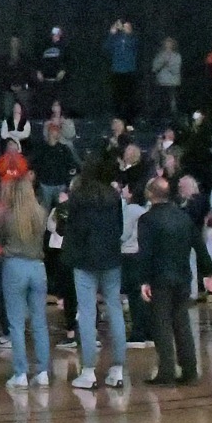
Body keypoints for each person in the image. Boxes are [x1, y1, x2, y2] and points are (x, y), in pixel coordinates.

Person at [136, 177, 210, 386]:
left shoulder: (148, 219)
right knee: (182, 324)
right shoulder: (183, 217)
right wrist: (208, 272)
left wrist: (144, 280)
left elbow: (145, 252)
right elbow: (199, 244)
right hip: (183, 277)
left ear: (150, 194)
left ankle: (166, 371)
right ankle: (190, 370)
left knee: (162, 326)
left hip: (160, 278)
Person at [65, 160, 128, 391]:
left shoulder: (79, 197)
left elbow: (73, 229)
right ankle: (118, 370)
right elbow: (120, 229)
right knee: (115, 310)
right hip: (111, 259)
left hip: (85, 260)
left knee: (87, 312)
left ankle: (89, 371)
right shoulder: (114, 197)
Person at [0, 172, 51, 389]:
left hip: (14, 266)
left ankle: (20, 372)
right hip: (38, 267)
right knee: (39, 322)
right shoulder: (41, 213)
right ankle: (43, 371)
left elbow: (0, 240)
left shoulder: (8, 216)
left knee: (16, 323)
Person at [151, 37, 182, 123]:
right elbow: (154, 68)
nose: (168, 44)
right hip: (161, 82)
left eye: (170, 42)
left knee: (172, 102)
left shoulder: (177, 55)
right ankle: (162, 120)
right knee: (162, 102)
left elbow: (176, 69)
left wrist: (168, 65)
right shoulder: (160, 55)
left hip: (173, 83)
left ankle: (173, 120)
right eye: (166, 42)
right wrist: (162, 63)